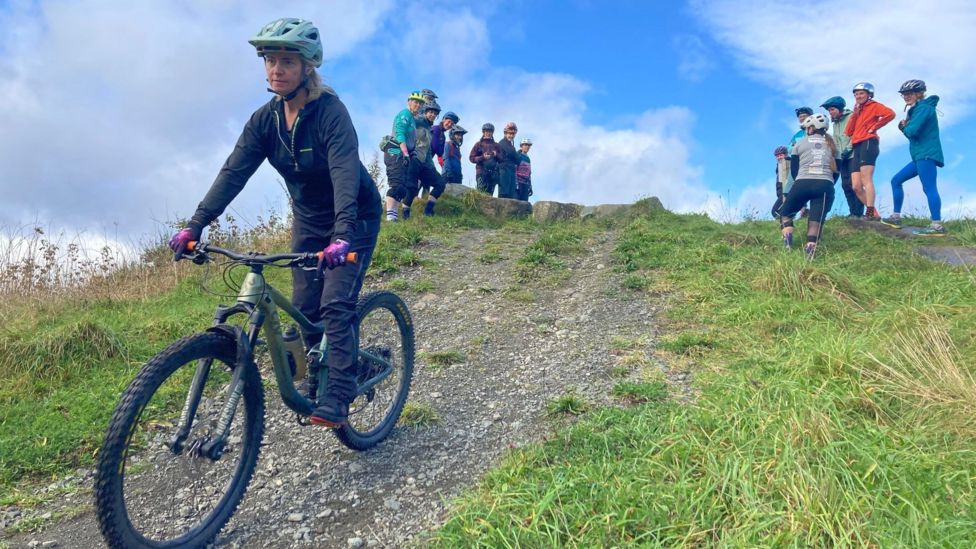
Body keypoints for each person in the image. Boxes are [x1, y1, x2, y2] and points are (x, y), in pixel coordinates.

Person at [167, 18, 382, 428]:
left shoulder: (331, 114)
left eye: (286, 60)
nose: (275, 69)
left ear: (307, 67)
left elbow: (343, 175)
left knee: (335, 304)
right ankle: (328, 371)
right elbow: (233, 173)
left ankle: (338, 394)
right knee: (304, 306)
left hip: (354, 215)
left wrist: (342, 236)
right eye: (269, 60)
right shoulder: (264, 122)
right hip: (308, 219)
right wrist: (195, 225)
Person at [881, 80, 946, 236]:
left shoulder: (923, 108)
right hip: (919, 156)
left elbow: (913, 131)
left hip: (926, 155)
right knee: (896, 180)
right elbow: (913, 132)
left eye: (909, 94)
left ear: (919, 93)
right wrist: (907, 126)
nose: (906, 97)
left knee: (929, 187)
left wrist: (904, 126)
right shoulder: (918, 109)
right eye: (904, 94)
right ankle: (896, 217)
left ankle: (937, 225)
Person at [782, 113, 837, 260]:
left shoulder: (799, 144)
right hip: (825, 185)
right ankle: (810, 255)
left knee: (786, 213)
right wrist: (828, 183)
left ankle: (787, 244)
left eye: (807, 127)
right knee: (815, 221)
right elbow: (837, 172)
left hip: (802, 183)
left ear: (811, 128)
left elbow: (794, 171)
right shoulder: (833, 145)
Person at [845, 82, 895, 220]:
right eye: (856, 94)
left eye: (861, 93)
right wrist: (855, 114)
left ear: (869, 94)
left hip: (869, 142)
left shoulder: (874, 106)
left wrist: (874, 127)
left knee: (866, 179)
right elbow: (848, 132)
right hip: (857, 145)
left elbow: (890, 114)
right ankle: (874, 213)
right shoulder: (858, 110)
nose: (858, 96)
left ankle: (870, 212)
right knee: (855, 186)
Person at [382, 91, 424, 221]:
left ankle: (393, 217)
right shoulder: (405, 114)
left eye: (420, 103)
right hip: (395, 152)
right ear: (409, 102)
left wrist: (411, 153)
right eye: (415, 102)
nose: (418, 105)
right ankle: (390, 217)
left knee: (402, 188)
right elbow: (400, 134)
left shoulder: (412, 119)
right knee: (396, 185)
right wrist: (405, 153)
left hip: (403, 154)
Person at [821, 96, 863, 217]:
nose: (830, 112)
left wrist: (848, 149)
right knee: (845, 185)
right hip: (842, 157)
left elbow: (855, 135)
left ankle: (859, 213)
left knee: (855, 184)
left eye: (832, 109)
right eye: (829, 110)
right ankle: (852, 212)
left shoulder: (851, 117)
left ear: (840, 108)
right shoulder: (835, 123)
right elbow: (836, 140)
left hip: (853, 154)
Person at [411, 100, 447, 216]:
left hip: (426, 163)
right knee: (411, 187)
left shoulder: (430, 127)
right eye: (430, 112)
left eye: (435, 113)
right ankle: (406, 213)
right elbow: (406, 125)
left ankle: (428, 210)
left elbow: (431, 149)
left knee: (440, 183)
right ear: (425, 112)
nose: (432, 115)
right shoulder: (419, 121)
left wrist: (431, 165)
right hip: (415, 160)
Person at [470, 123, 501, 195]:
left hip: (493, 174)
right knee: (480, 194)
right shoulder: (478, 144)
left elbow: (502, 159)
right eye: (486, 131)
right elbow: (471, 158)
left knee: (490, 195)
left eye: (490, 131)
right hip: (481, 172)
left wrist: (496, 154)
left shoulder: (496, 145)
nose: (488, 133)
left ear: (492, 133)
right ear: (483, 132)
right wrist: (482, 157)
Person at [497, 122, 519, 199]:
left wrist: (515, 156)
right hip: (504, 169)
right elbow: (512, 154)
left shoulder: (511, 145)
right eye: (509, 133)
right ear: (505, 133)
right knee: (503, 192)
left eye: (513, 134)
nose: (511, 135)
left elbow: (518, 160)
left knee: (511, 193)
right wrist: (515, 155)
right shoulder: (502, 143)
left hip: (511, 169)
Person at [770, 145, 789, 219]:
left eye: (781, 155)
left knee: (775, 212)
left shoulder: (788, 164)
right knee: (785, 213)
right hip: (781, 194)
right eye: (777, 156)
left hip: (785, 194)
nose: (779, 157)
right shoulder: (780, 165)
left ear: (786, 154)